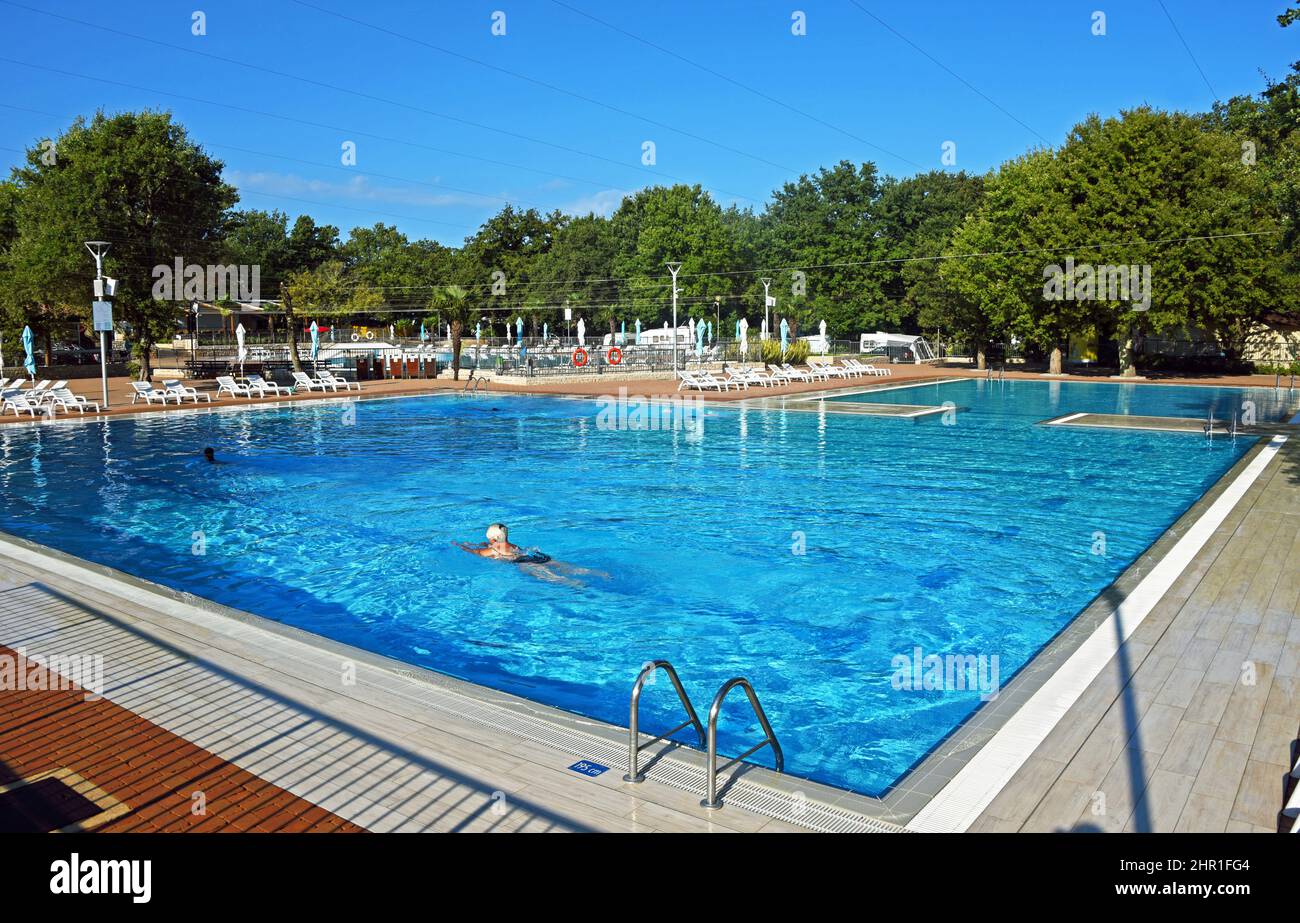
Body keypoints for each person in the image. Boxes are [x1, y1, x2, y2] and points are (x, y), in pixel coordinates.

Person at [455, 523, 606, 586]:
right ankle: (599, 573)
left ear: (493, 539)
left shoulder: (492, 550)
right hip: (533, 557)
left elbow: (476, 552)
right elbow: (490, 545)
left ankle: (575, 584)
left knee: (551, 577)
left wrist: (462, 546)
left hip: (524, 564)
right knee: (565, 566)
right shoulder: (512, 545)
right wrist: (483, 544)